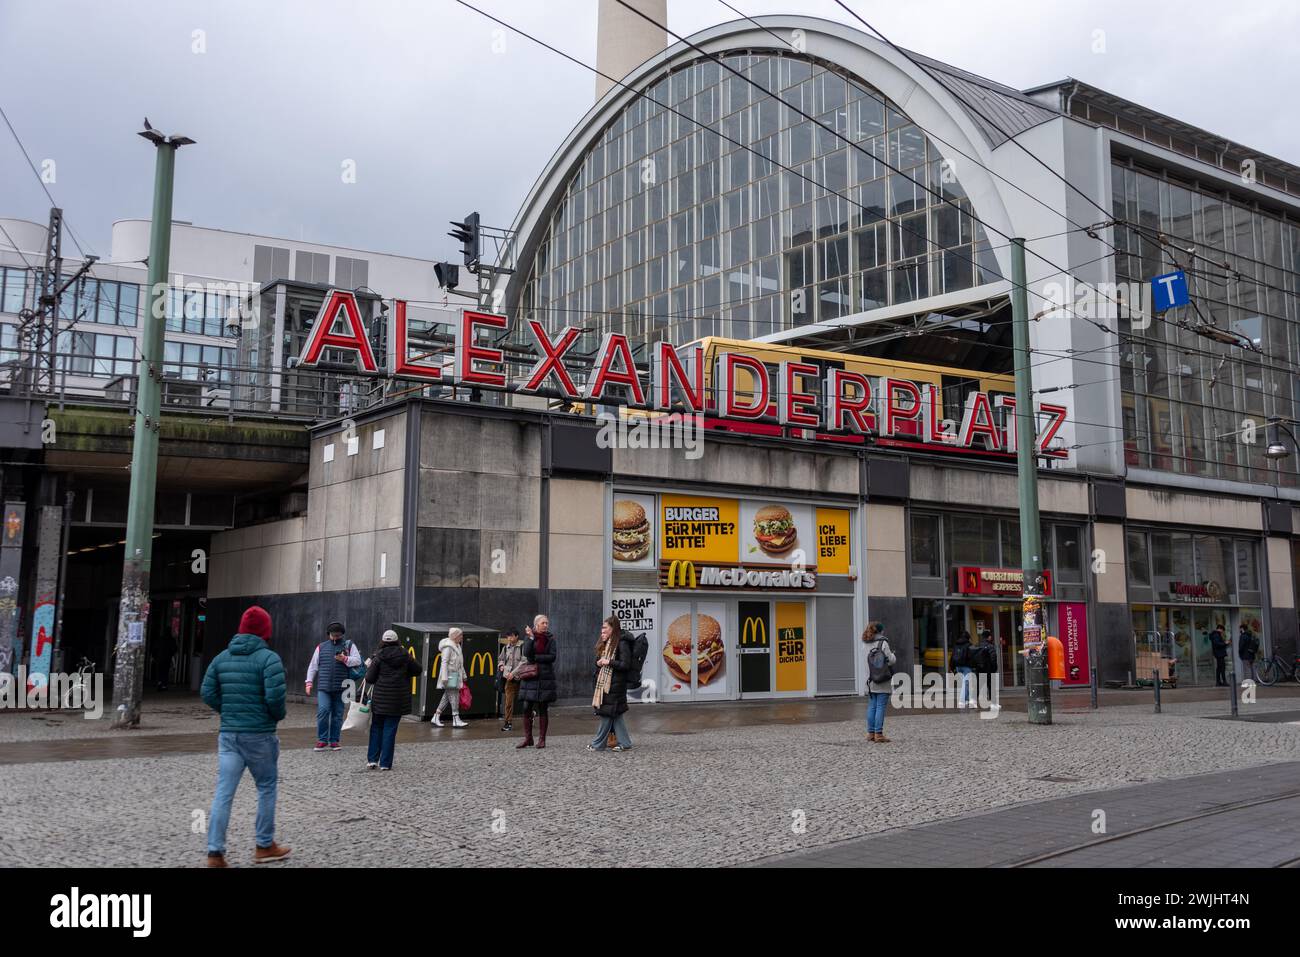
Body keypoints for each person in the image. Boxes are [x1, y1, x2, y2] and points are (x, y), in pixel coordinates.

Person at [199, 605, 290, 867]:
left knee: (223, 792)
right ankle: (264, 845)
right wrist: (274, 716)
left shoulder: (221, 658)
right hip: (260, 735)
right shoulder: (269, 659)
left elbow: (208, 692)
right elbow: (275, 698)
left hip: (229, 735)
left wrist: (226, 711)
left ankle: (215, 853)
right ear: (265, 631)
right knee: (266, 788)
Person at [364, 629, 421, 770]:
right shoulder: (405, 655)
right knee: (390, 729)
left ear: (383, 641)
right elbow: (418, 670)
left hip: (380, 699)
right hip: (397, 700)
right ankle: (385, 764)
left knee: (376, 727)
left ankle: (372, 760)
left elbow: (369, 678)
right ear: (397, 641)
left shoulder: (378, 656)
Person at [305, 621, 361, 751]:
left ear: (342, 634)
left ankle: (335, 741)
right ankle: (322, 740)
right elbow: (313, 666)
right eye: (333, 635)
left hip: (342, 686)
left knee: (338, 714)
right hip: (324, 687)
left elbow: (358, 661)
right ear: (328, 634)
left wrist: (345, 659)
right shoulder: (321, 647)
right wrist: (309, 682)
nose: (335, 637)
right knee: (323, 711)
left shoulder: (349, 645)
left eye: (338, 635)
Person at [587, 616, 633, 752]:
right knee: (615, 715)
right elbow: (598, 662)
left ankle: (598, 744)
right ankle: (625, 742)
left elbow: (625, 664)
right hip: (606, 685)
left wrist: (609, 662)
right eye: (602, 627)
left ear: (613, 628)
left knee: (607, 714)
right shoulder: (606, 642)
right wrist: (599, 662)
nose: (603, 630)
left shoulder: (621, 643)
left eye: (605, 627)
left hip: (615, 685)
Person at [516, 614, 558, 750]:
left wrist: (536, 658)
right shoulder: (530, 637)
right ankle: (528, 738)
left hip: (545, 676)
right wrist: (531, 638)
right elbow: (527, 654)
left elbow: (552, 656)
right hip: (531, 676)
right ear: (536, 625)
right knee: (526, 706)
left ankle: (542, 739)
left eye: (547, 623)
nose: (546, 625)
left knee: (543, 708)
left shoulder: (551, 638)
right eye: (543, 623)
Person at [863, 621, 896, 743]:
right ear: (881, 631)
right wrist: (893, 655)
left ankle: (870, 733)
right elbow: (891, 660)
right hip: (882, 678)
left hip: (869, 679)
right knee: (881, 706)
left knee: (872, 706)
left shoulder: (865, 642)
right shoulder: (883, 642)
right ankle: (878, 734)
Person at [432, 627, 468, 727]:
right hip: (450, 675)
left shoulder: (457, 646)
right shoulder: (448, 647)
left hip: (455, 675)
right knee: (454, 695)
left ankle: (436, 716)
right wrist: (444, 677)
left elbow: (460, 663)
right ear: (455, 636)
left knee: (447, 696)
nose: (462, 637)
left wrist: (464, 675)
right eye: (460, 635)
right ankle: (456, 719)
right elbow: (444, 662)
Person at [497, 628, 522, 732]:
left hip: (521, 678)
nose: (509, 638)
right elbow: (500, 659)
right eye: (508, 636)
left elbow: (524, 662)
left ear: (516, 636)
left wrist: (513, 673)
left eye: (511, 636)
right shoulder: (506, 648)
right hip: (509, 679)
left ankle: (531, 715)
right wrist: (501, 666)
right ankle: (508, 723)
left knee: (526, 701)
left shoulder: (522, 647)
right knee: (508, 702)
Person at [951, 629, 973, 709]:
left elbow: (952, 656)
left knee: (965, 684)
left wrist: (952, 667)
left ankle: (966, 700)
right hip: (966, 666)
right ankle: (962, 701)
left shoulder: (956, 644)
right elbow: (971, 657)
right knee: (966, 683)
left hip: (957, 666)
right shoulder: (969, 645)